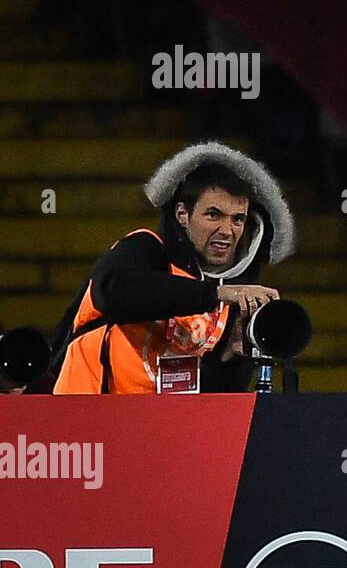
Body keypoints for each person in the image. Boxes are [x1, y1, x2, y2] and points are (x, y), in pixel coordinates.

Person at [49, 142, 295, 395]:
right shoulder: (144, 247)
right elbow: (114, 291)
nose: (227, 230)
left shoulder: (232, 288)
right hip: (86, 417)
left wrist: (231, 359)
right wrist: (215, 294)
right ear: (182, 214)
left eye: (238, 219)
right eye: (213, 214)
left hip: (159, 425)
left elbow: (213, 395)